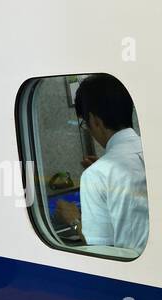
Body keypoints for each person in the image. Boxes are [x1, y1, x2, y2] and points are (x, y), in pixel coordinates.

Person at [54, 74, 149, 253]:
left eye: (85, 124)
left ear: (95, 121)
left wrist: (74, 219)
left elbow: (101, 250)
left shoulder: (96, 175)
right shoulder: (152, 151)